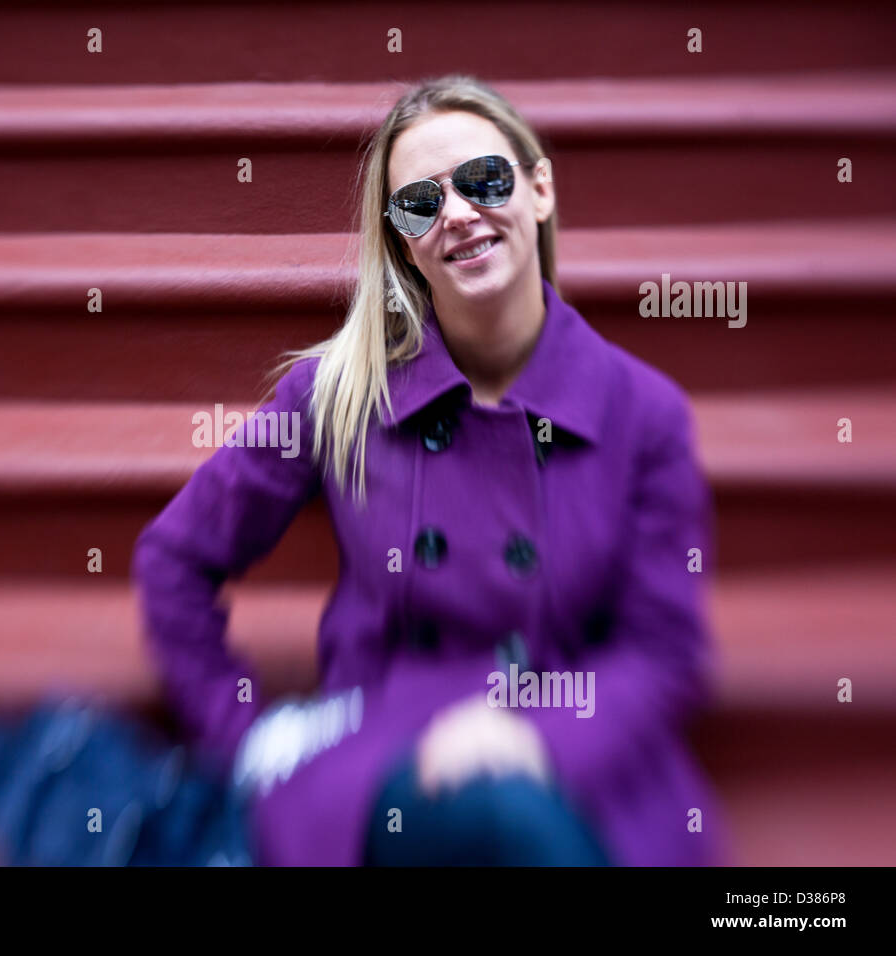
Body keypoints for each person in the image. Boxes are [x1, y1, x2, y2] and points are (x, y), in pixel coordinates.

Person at [131, 74, 729, 866]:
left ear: (540, 189)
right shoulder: (342, 394)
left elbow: (662, 649)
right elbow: (173, 558)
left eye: (484, 179)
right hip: (385, 763)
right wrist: (243, 735)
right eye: (420, 202)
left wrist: (530, 736)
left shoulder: (641, 413)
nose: (457, 213)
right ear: (402, 239)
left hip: (575, 756)